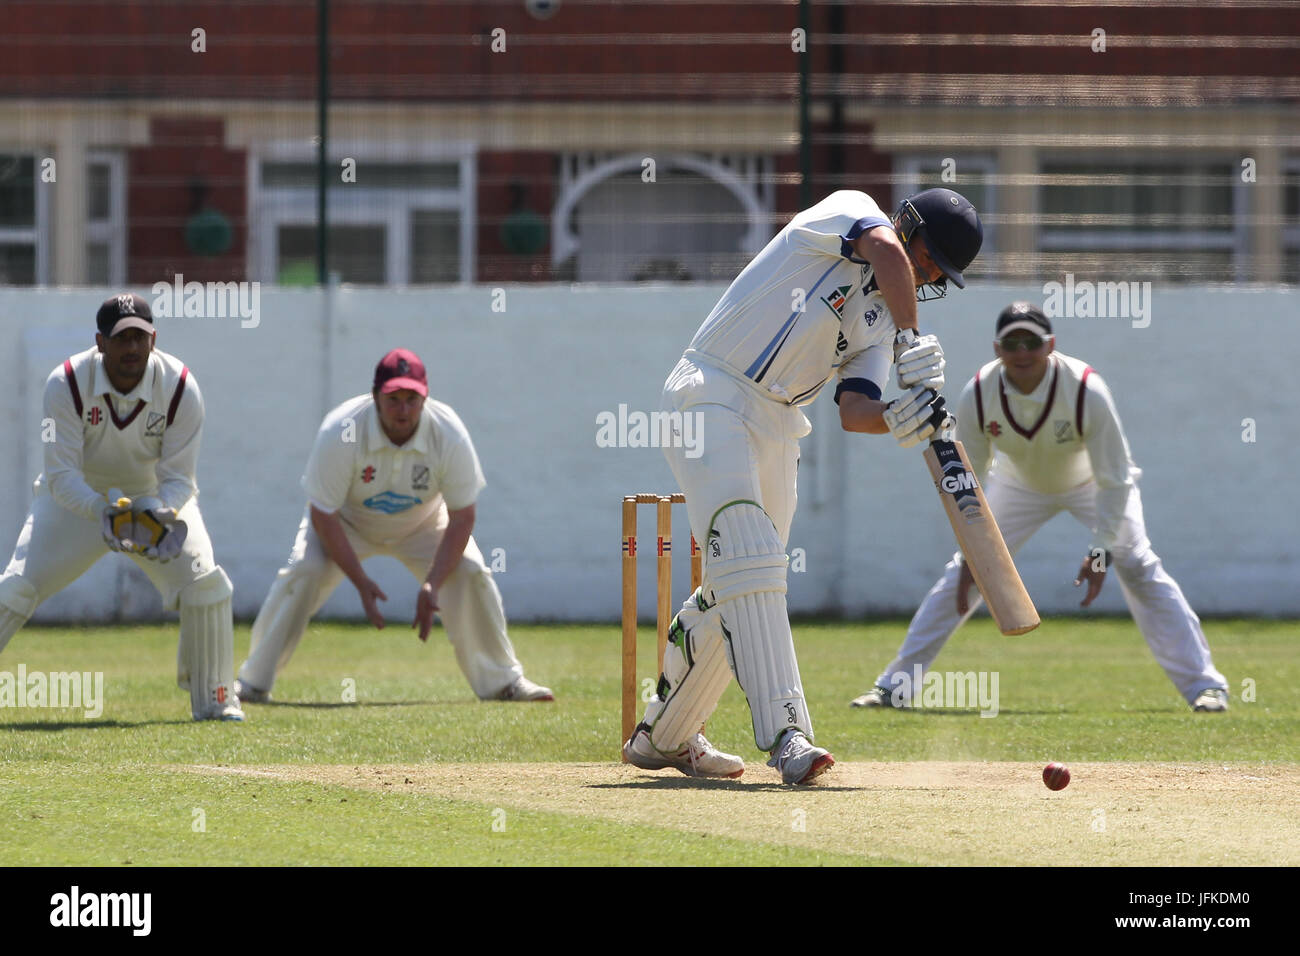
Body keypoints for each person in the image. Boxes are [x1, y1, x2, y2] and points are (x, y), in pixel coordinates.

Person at [620, 188, 985, 783]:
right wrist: (913, 340)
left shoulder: (885, 317)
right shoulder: (847, 213)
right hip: (711, 388)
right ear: (906, 226)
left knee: (740, 580)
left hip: (779, 422)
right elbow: (888, 254)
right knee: (748, 551)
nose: (926, 275)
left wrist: (899, 413)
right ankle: (789, 735)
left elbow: (854, 409)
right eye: (929, 259)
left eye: (939, 273)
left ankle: (665, 735)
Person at [850, 302, 1230, 712]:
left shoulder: (1086, 389)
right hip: (1019, 487)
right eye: (1012, 343)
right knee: (965, 572)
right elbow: (968, 480)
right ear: (997, 348)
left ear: (1050, 344)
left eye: (1031, 342)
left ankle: (1205, 687)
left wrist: (1101, 550)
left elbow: (1115, 479)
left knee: (1138, 566)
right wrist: (972, 553)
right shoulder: (979, 392)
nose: (1022, 353)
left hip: (1092, 485)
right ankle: (894, 687)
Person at [235, 348, 553, 704]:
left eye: (412, 399)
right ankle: (252, 683)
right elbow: (323, 514)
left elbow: (463, 516)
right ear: (375, 397)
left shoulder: (448, 434)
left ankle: (503, 684)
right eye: (393, 399)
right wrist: (360, 581)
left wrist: (432, 584)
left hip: (424, 524)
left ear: (424, 398)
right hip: (346, 524)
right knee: (304, 570)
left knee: (470, 571)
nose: (403, 409)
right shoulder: (342, 430)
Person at [0, 293, 243, 721]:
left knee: (206, 584)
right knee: (18, 586)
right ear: (100, 342)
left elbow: (179, 479)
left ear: (154, 339)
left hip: (155, 500)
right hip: (76, 502)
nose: (131, 348)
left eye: (140, 337)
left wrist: (158, 514)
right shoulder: (66, 383)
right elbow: (60, 475)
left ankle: (216, 699)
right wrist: (103, 511)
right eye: (121, 338)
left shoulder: (182, 386)